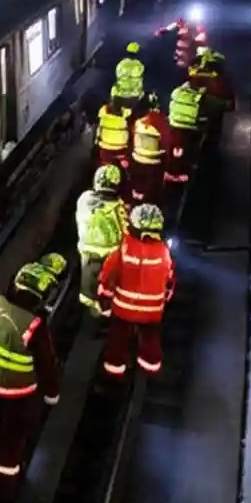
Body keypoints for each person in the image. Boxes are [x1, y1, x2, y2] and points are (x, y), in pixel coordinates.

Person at [0, 264, 63, 495]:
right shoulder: (33, 326)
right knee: (12, 438)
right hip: (17, 394)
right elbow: (47, 364)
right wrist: (52, 395)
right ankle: (5, 486)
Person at [98, 204, 175, 381]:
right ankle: (150, 364)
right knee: (150, 338)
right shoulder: (163, 251)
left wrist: (105, 299)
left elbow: (108, 274)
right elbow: (170, 279)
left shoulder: (125, 247)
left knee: (118, 338)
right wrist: (165, 298)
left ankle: (115, 369)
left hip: (123, 308)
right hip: (152, 312)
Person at [76, 165, 129, 316]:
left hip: (87, 251)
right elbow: (126, 230)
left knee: (88, 288)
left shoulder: (83, 199)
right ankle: (105, 315)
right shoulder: (118, 207)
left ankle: (91, 313)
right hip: (110, 254)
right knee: (108, 287)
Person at [129, 93, 169, 204]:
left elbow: (133, 138)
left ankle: (136, 198)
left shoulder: (138, 123)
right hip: (154, 162)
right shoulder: (163, 124)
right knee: (152, 189)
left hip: (137, 159)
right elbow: (167, 143)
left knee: (138, 185)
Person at [166, 81, 204, 183]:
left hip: (173, 125)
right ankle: (181, 173)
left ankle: (169, 172)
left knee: (173, 147)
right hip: (188, 128)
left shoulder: (176, 94)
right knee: (185, 149)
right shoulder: (196, 97)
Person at [111, 42, 146, 112]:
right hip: (134, 97)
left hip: (119, 95)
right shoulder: (139, 66)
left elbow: (117, 77)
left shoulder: (121, 64)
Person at [97, 102, 132, 169]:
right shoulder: (126, 114)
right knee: (124, 167)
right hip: (121, 149)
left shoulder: (103, 113)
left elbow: (99, 131)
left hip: (105, 148)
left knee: (105, 167)